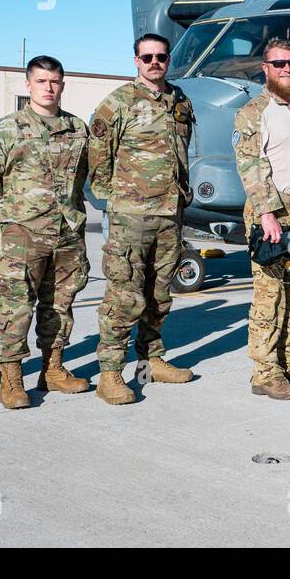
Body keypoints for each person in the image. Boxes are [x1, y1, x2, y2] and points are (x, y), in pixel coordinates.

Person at [0, 55, 91, 410]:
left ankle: (52, 370)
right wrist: (8, 220)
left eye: (54, 81)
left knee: (60, 304)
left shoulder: (77, 128)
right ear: (28, 85)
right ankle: (11, 380)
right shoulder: (7, 129)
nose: (48, 87)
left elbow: (83, 177)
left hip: (67, 232)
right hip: (22, 234)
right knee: (16, 306)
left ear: (63, 84)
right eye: (41, 81)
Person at [88, 33, 196, 405]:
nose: (155, 62)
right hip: (131, 215)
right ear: (136, 61)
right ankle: (110, 374)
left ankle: (151, 361)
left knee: (160, 294)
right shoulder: (118, 102)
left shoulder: (180, 100)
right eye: (147, 57)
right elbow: (98, 156)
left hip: (170, 213)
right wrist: (113, 199)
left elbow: (183, 150)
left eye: (161, 56)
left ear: (168, 60)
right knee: (124, 294)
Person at [234, 38, 290, 400]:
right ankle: (265, 371)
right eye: (279, 64)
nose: (288, 69)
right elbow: (250, 165)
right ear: (266, 69)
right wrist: (266, 213)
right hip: (273, 214)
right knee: (270, 294)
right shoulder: (254, 111)